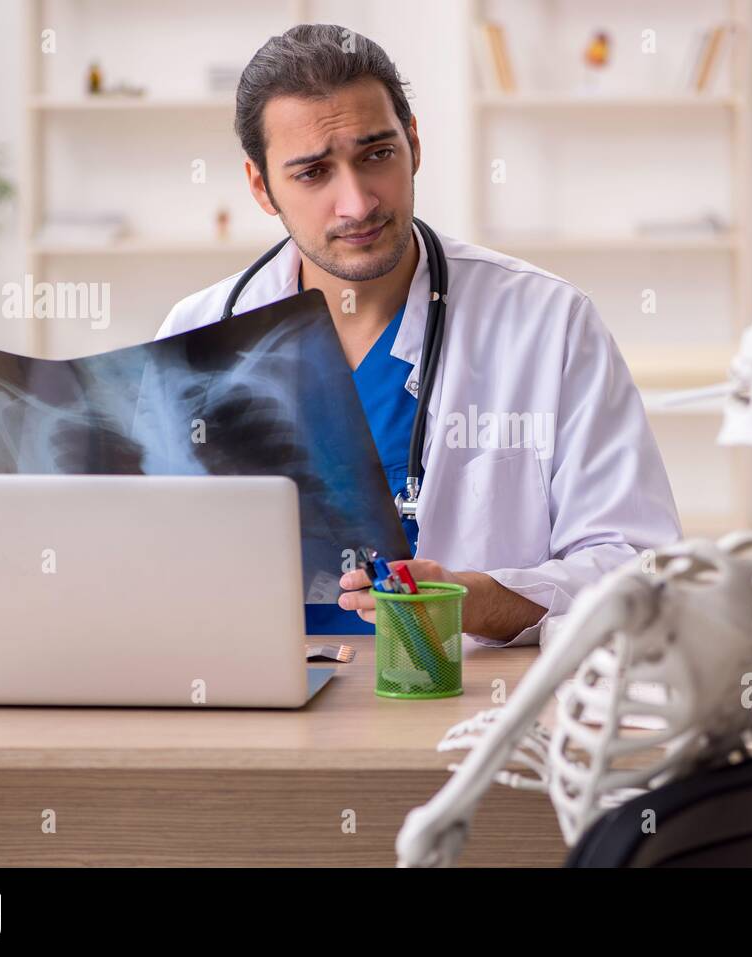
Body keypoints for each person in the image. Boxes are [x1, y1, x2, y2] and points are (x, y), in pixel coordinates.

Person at [155, 24, 680, 647]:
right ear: (260, 187)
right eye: (313, 173)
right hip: (247, 698)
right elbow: (143, 559)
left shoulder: (548, 323)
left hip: (455, 702)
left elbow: (639, 564)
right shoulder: (196, 333)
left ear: (414, 144)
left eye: (376, 154)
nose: (356, 203)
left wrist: (483, 600)